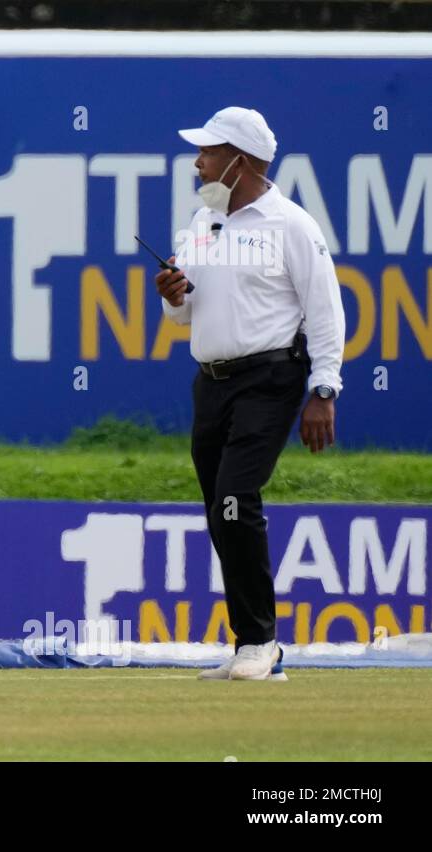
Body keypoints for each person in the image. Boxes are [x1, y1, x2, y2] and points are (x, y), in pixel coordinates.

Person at [157, 106, 345, 681]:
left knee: (237, 499)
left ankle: (261, 643)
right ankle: (252, 646)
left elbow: (324, 310)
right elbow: (187, 313)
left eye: (209, 153)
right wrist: (172, 293)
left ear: (240, 163)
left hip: (270, 379)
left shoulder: (291, 225)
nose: (197, 162)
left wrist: (324, 388)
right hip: (210, 384)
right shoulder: (204, 222)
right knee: (220, 512)